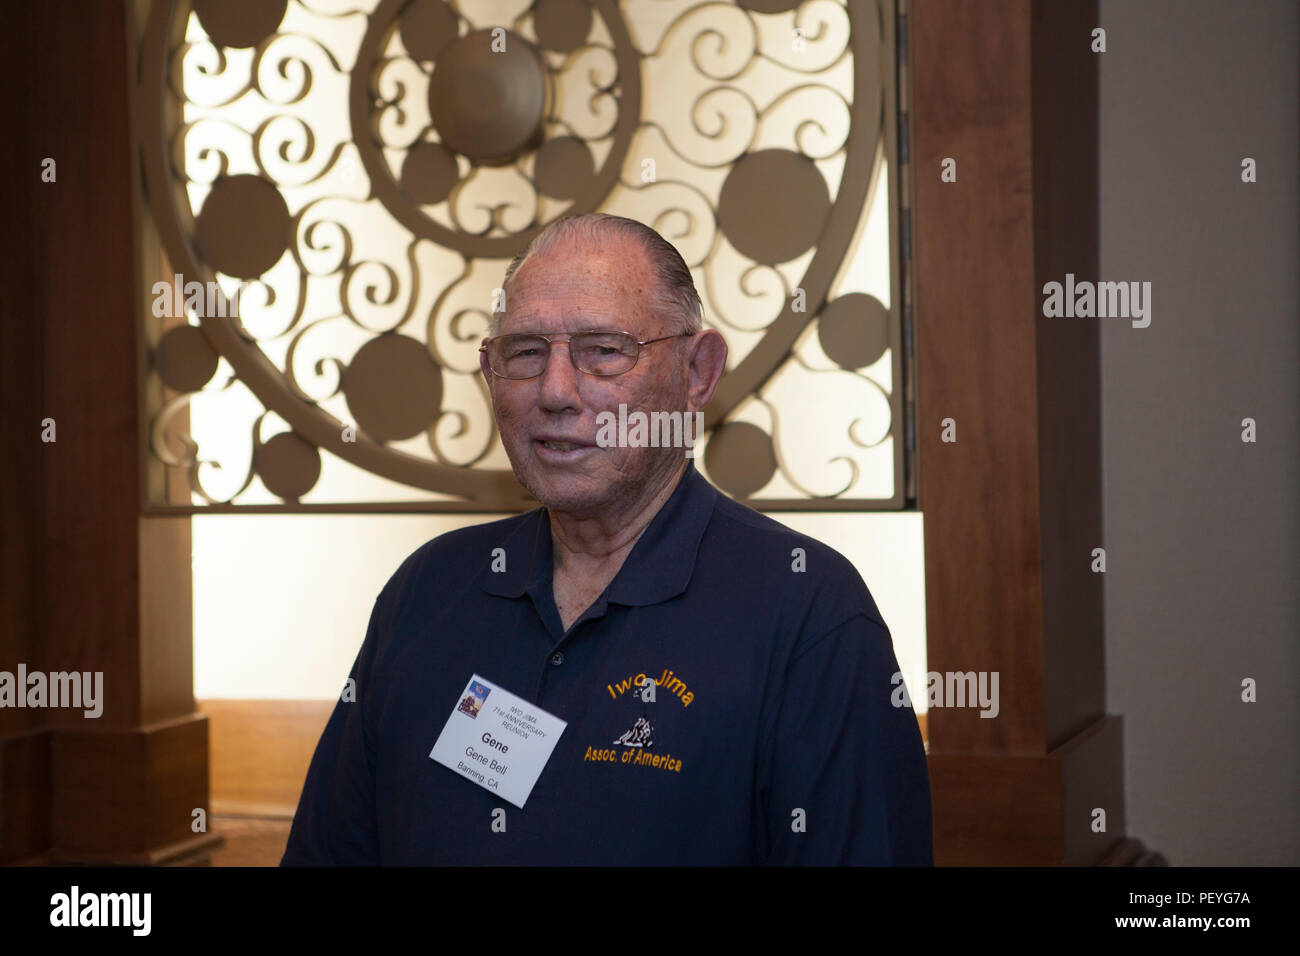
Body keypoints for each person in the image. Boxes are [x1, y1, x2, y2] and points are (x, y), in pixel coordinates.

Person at [280, 213, 932, 865]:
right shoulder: (428, 590)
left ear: (697, 372)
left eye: (605, 349)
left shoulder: (807, 611)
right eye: (526, 352)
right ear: (489, 372)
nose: (557, 390)